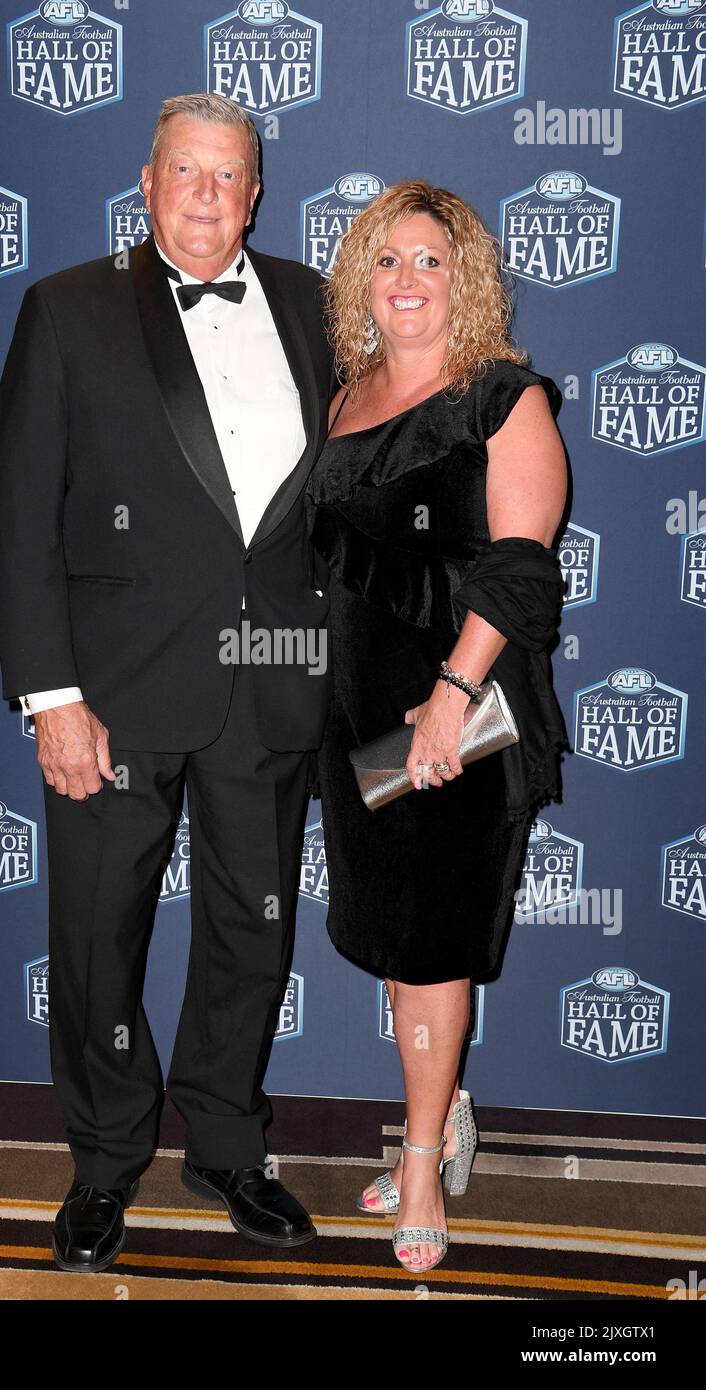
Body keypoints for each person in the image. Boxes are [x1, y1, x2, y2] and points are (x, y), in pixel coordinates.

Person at [0, 93, 333, 1272]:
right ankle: (102, 1160)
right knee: (96, 938)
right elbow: (20, 517)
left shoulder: (311, 307)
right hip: (113, 694)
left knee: (252, 925)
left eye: (228, 177)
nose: (205, 196)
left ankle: (229, 1142)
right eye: (184, 172)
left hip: (268, 680)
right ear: (145, 184)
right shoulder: (67, 310)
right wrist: (50, 697)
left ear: (255, 193)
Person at [306, 181, 569, 1273]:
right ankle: (442, 1110)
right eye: (386, 259)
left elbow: (518, 569)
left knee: (428, 945)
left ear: (464, 278)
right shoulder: (346, 396)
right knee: (394, 937)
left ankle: (419, 1160)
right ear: (359, 279)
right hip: (358, 707)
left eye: (429, 259)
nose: (406, 279)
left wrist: (448, 702)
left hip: (456, 715)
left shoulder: (500, 399)